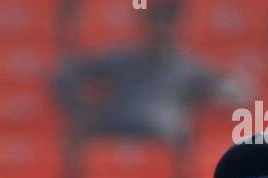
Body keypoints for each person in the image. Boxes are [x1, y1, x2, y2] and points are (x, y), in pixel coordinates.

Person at [55, 0, 245, 146]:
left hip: (164, 140)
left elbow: (236, 93)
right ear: (148, 25)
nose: (162, 29)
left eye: (168, 23)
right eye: (158, 22)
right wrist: (82, 112)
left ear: (176, 28)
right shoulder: (121, 59)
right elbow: (65, 74)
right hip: (113, 132)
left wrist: (213, 94)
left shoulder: (188, 67)